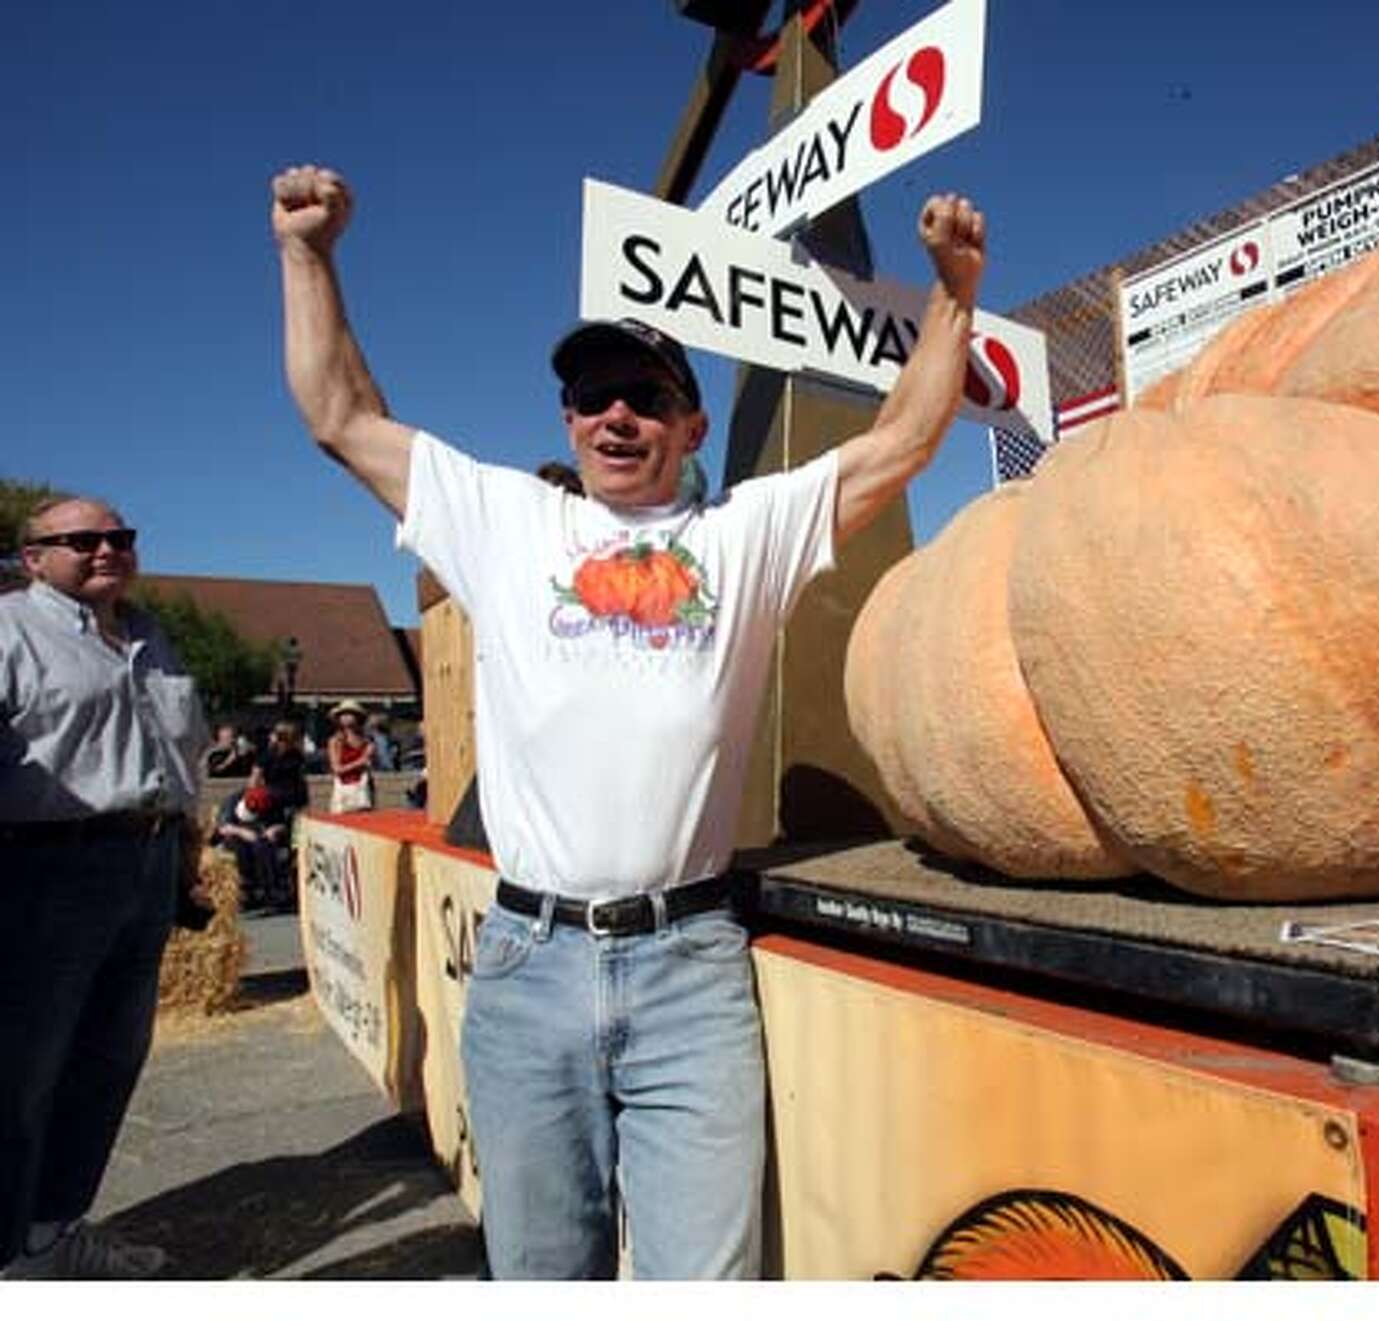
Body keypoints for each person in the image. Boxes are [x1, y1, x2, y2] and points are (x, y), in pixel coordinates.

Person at [271, 162, 984, 1279]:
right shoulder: (504, 519)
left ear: (691, 423)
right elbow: (339, 413)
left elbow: (901, 443)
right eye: (594, 394)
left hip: (688, 970)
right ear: (564, 417)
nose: (616, 414)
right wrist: (307, 253)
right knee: (542, 1275)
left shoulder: (744, 533)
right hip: (524, 962)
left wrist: (953, 293)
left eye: (645, 397)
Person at [0, 496, 208, 1279]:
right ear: (33, 558)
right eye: (80, 540)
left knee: (110, 1060)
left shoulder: (153, 636)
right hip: (42, 870)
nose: (105, 550)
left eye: (119, 537)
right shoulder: (9, 631)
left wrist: (185, 857)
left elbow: (179, 760)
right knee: (21, 1074)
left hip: (148, 863)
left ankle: (53, 1232)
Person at [213, 779, 294, 910]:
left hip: (263, 837)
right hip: (237, 836)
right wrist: (243, 832)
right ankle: (247, 888)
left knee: (263, 846)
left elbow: (286, 823)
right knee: (239, 845)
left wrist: (276, 828)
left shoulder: (276, 801)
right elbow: (222, 827)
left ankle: (271, 891)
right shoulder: (232, 800)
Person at [326, 699, 375, 813]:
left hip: (362, 788)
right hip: (342, 789)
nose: (346, 717)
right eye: (343, 714)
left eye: (350, 713)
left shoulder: (367, 742)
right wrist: (359, 763)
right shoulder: (336, 741)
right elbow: (336, 769)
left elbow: (368, 764)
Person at [257, 717, 309, 816]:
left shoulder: (296, 755)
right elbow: (255, 779)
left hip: (290, 798)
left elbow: (301, 779)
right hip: (275, 798)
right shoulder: (268, 755)